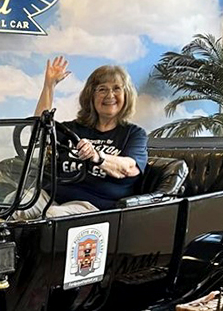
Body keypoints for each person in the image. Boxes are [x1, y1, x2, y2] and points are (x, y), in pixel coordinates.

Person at [20, 56, 148, 218]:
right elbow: (39, 130)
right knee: (17, 204)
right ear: (91, 96)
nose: (110, 95)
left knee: (53, 216)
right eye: (102, 89)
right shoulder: (72, 129)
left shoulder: (134, 134)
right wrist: (49, 85)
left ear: (126, 95)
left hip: (93, 205)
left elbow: (128, 168)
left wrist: (97, 156)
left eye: (117, 89)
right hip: (51, 196)